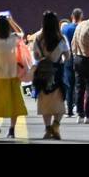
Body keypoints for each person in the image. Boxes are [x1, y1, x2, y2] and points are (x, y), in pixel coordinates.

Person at [0, 12, 26, 138]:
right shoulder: (13, 39)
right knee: (15, 102)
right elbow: (22, 33)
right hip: (13, 75)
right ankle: (12, 130)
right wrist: (12, 21)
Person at [32, 11, 70, 139]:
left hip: (43, 73)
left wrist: (44, 58)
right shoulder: (61, 38)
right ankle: (56, 125)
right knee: (59, 101)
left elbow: (35, 56)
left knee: (45, 102)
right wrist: (58, 59)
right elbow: (67, 56)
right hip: (58, 72)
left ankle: (48, 129)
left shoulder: (38, 38)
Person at [60, 8, 82, 116]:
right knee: (80, 85)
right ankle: (79, 109)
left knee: (69, 85)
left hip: (67, 59)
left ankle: (69, 110)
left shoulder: (64, 29)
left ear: (72, 16)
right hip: (79, 58)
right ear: (81, 16)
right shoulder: (81, 27)